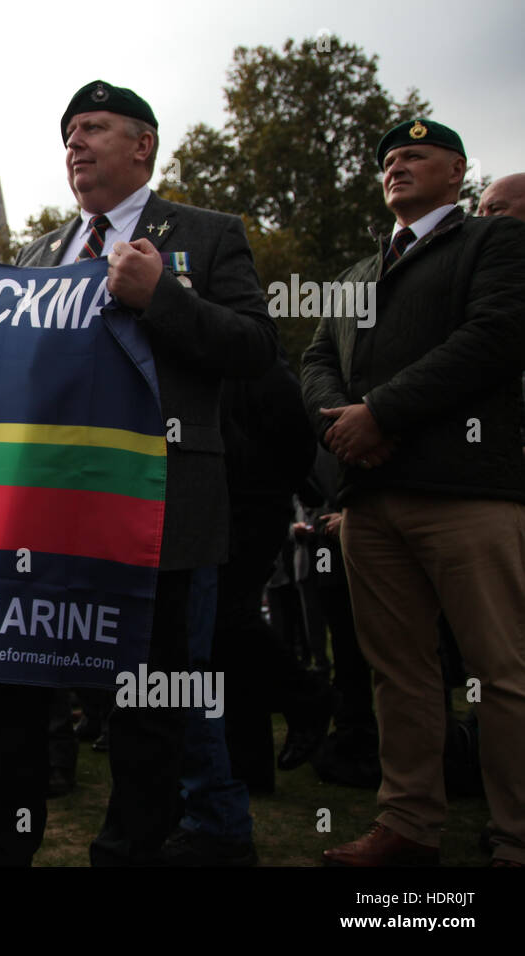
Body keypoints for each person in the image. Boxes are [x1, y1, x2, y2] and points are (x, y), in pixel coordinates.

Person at [0, 80, 277, 866]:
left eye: (94, 127)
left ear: (143, 145)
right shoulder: (38, 255)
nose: (75, 142)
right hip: (41, 509)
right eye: (68, 131)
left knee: (149, 701)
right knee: (12, 690)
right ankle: (1, 847)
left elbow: (253, 350)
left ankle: (129, 850)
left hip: (159, 509)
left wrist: (161, 297)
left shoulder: (205, 235)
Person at [301, 119, 525, 867]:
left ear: (456, 171)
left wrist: (383, 413)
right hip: (370, 499)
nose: (397, 165)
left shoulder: (493, 244)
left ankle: (514, 831)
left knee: (502, 673)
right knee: (398, 672)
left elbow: (493, 337)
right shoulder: (357, 275)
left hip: (465, 493)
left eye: (416, 155)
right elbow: (315, 360)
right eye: (388, 158)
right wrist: (343, 425)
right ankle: (408, 824)